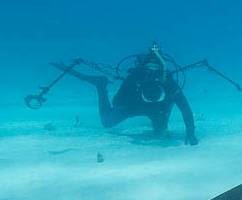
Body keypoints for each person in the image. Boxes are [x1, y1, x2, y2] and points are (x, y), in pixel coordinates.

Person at [66, 43, 198, 145]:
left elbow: (185, 108)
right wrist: (126, 105)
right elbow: (118, 100)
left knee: (161, 130)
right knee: (107, 122)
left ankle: (157, 119)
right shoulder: (135, 78)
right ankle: (101, 85)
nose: (151, 94)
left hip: (157, 111)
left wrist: (190, 132)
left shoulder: (168, 82)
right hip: (132, 107)